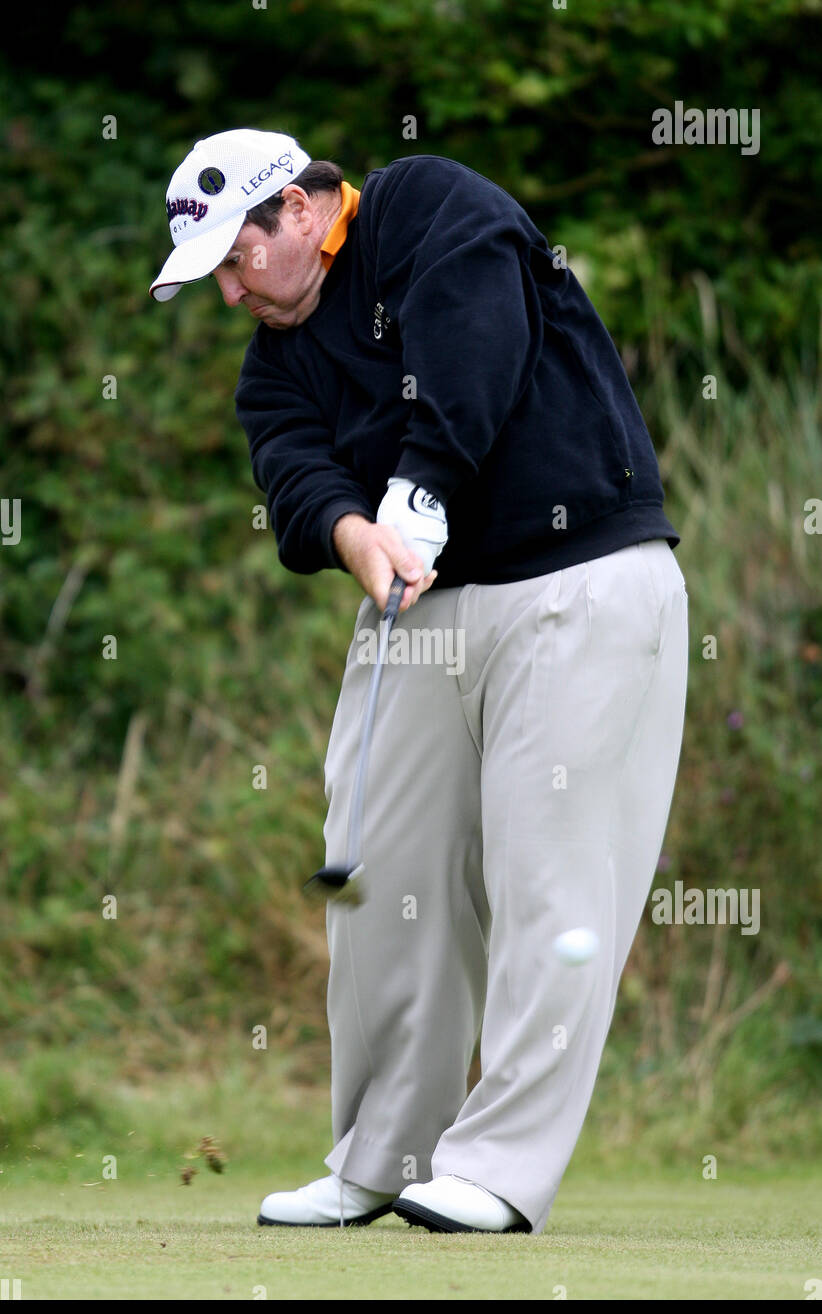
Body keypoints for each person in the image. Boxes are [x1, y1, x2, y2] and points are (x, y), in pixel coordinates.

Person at [151, 127, 689, 1236]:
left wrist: (427, 478)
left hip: (584, 577)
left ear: (298, 213)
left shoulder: (423, 205)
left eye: (236, 265)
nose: (231, 298)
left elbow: (476, 330)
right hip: (419, 611)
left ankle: (497, 1169)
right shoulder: (276, 361)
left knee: (554, 885)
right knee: (380, 875)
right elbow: (295, 475)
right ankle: (384, 1156)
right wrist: (360, 534)